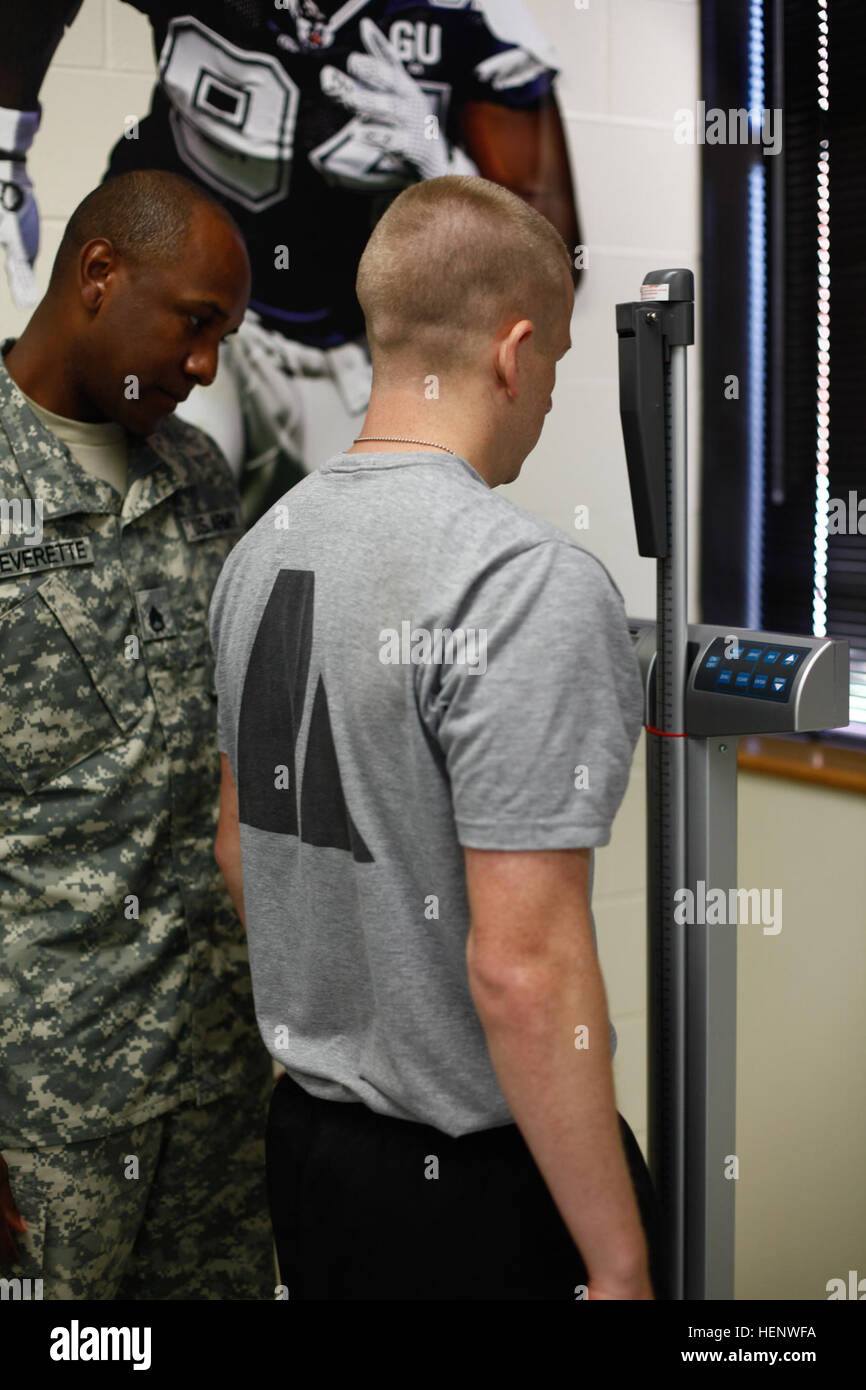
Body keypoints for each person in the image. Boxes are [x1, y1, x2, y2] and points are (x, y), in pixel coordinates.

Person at [208, 173, 670, 1300]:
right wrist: (614, 1264)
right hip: (469, 1197)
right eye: (555, 362)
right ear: (514, 352)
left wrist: (360, 1001)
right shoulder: (524, 582)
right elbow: (522, 970)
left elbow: (236, 846)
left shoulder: (259, 551)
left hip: (312, 1158)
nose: (549, 395)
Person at [0, 168, 275, 1299]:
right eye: (195, 322)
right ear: (99, 274)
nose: (206, 365)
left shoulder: (202, 481)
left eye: (226, 336)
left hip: (216, 1078)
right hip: (45, 1118)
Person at [0, 0, 583, 523]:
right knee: (173, 504)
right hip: (207, 324)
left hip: (354, 350)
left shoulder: (474, 14)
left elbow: (553, 261)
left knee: (379, 546)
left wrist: (446, 166)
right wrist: (8, 140)